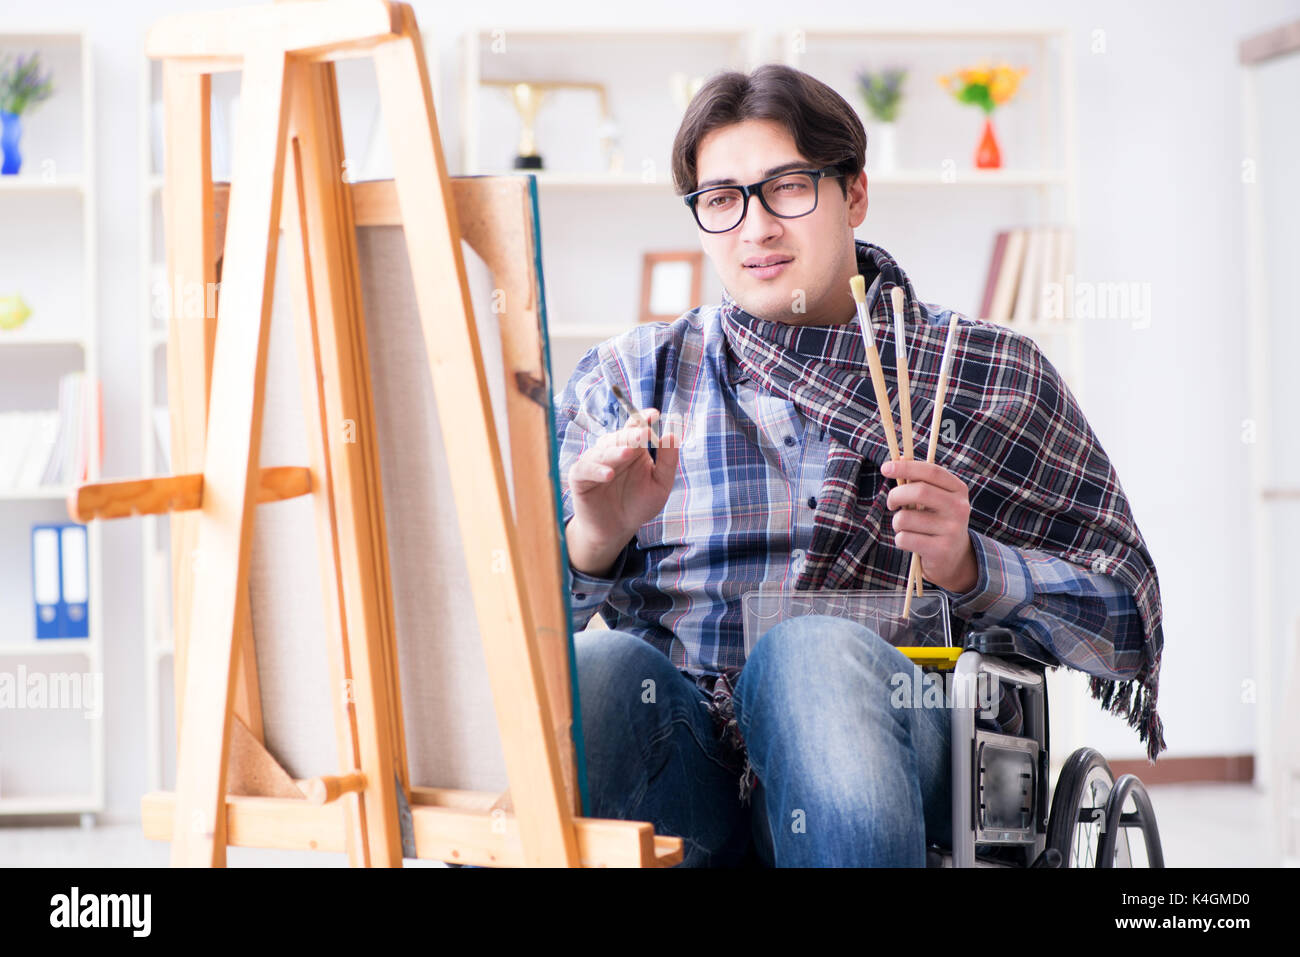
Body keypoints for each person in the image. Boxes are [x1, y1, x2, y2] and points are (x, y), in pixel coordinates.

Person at [555, 64, 1165, 867]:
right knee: (598, 667)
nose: (755, 227)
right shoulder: (631, 378)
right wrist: (593, 538)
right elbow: (503, 640)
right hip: (687, 769)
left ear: (856, 194)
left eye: (788, 188)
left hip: (897, 739)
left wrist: (972, 564)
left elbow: (1123, 607)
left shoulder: (985, 369)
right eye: (721, 198)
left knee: (811, 654)